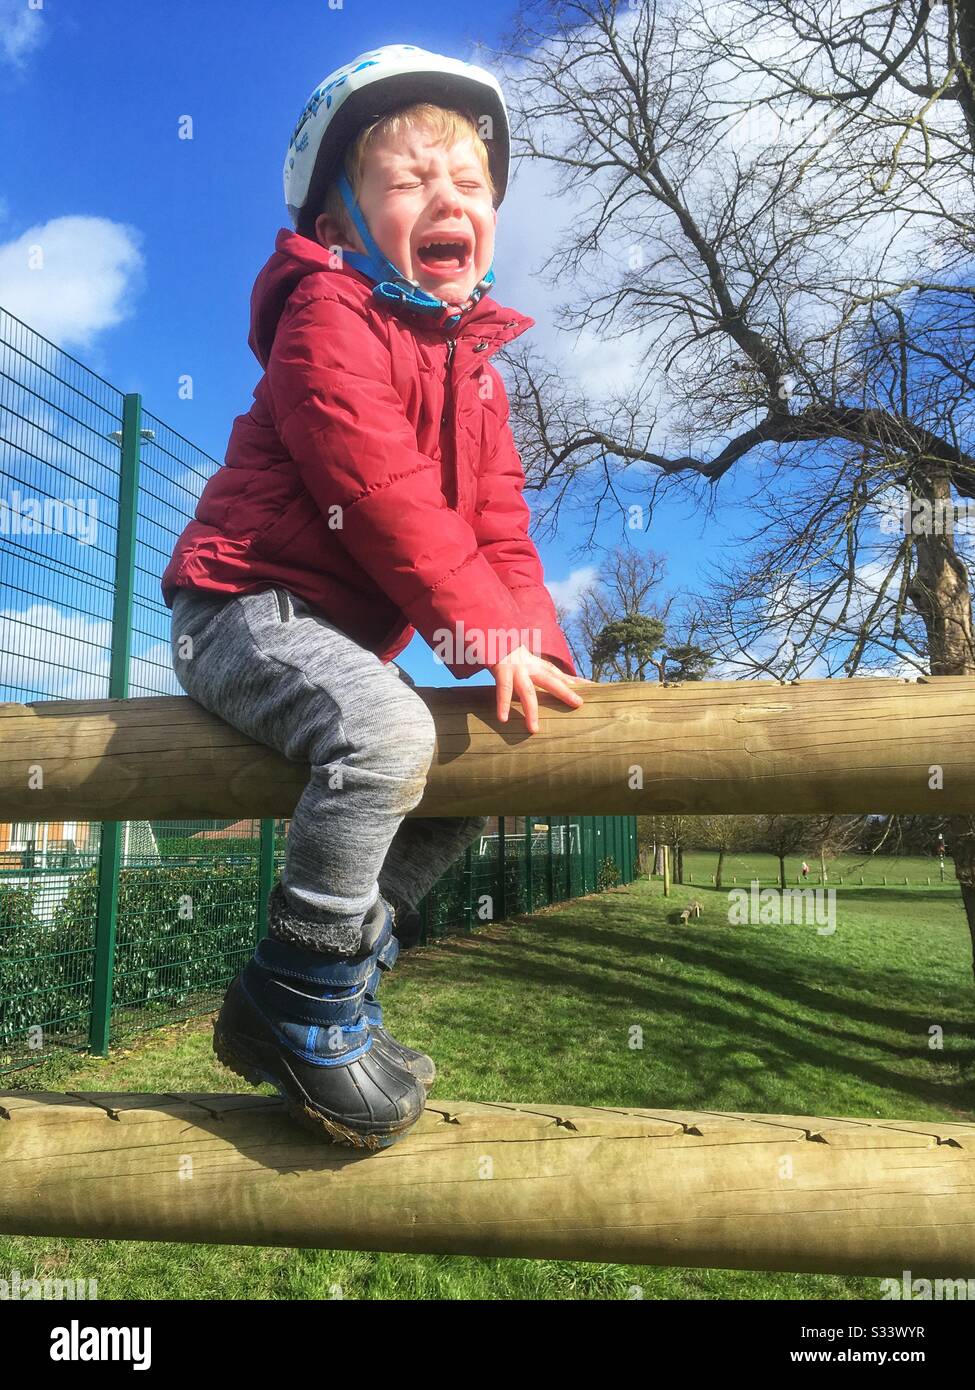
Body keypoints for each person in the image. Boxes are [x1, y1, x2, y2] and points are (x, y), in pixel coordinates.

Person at [161, 45, 585, 1150]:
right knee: (394, 729)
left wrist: (538, 657)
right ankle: (296, 996)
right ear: (343, 221)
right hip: (242, 609)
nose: (450, 198)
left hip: (337, 639)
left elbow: (498, 532)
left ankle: (342, 974)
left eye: (471, 186)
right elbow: (379, 491)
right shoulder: (326, 317)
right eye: (411, 182)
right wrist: (478, 628)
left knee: (483, 762)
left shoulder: (478, 379)